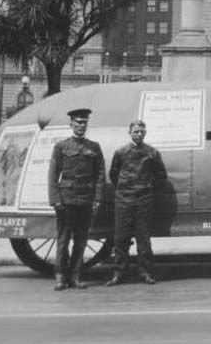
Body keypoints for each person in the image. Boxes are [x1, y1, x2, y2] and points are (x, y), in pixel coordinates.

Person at [48, 108, 105, 290]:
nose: (81, 125)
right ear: (70, 124)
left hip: (86, 200)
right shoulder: (61, 147)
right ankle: (60, 276)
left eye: (84, 122)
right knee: (63, 240)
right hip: (66, 200)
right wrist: (55, 199)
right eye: (78, 122)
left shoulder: (94, 147)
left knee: (81, 241)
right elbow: (53, 175)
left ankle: (75, 276)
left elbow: (100, 174)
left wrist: (97, 198)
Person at [105, 120, 167, 286]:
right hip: (124, 200)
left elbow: (161, 176)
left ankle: (145, 272)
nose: (139, 134)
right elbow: (114, 174)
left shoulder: (152, 153)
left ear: (145, 133)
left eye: (141, 131)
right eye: (136, 131)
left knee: (144, 238)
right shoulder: (121, 152)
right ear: (130, 132)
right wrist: (125, 189)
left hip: (144, 200)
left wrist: (148, 190)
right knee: (120, 238)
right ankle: (119, 273)